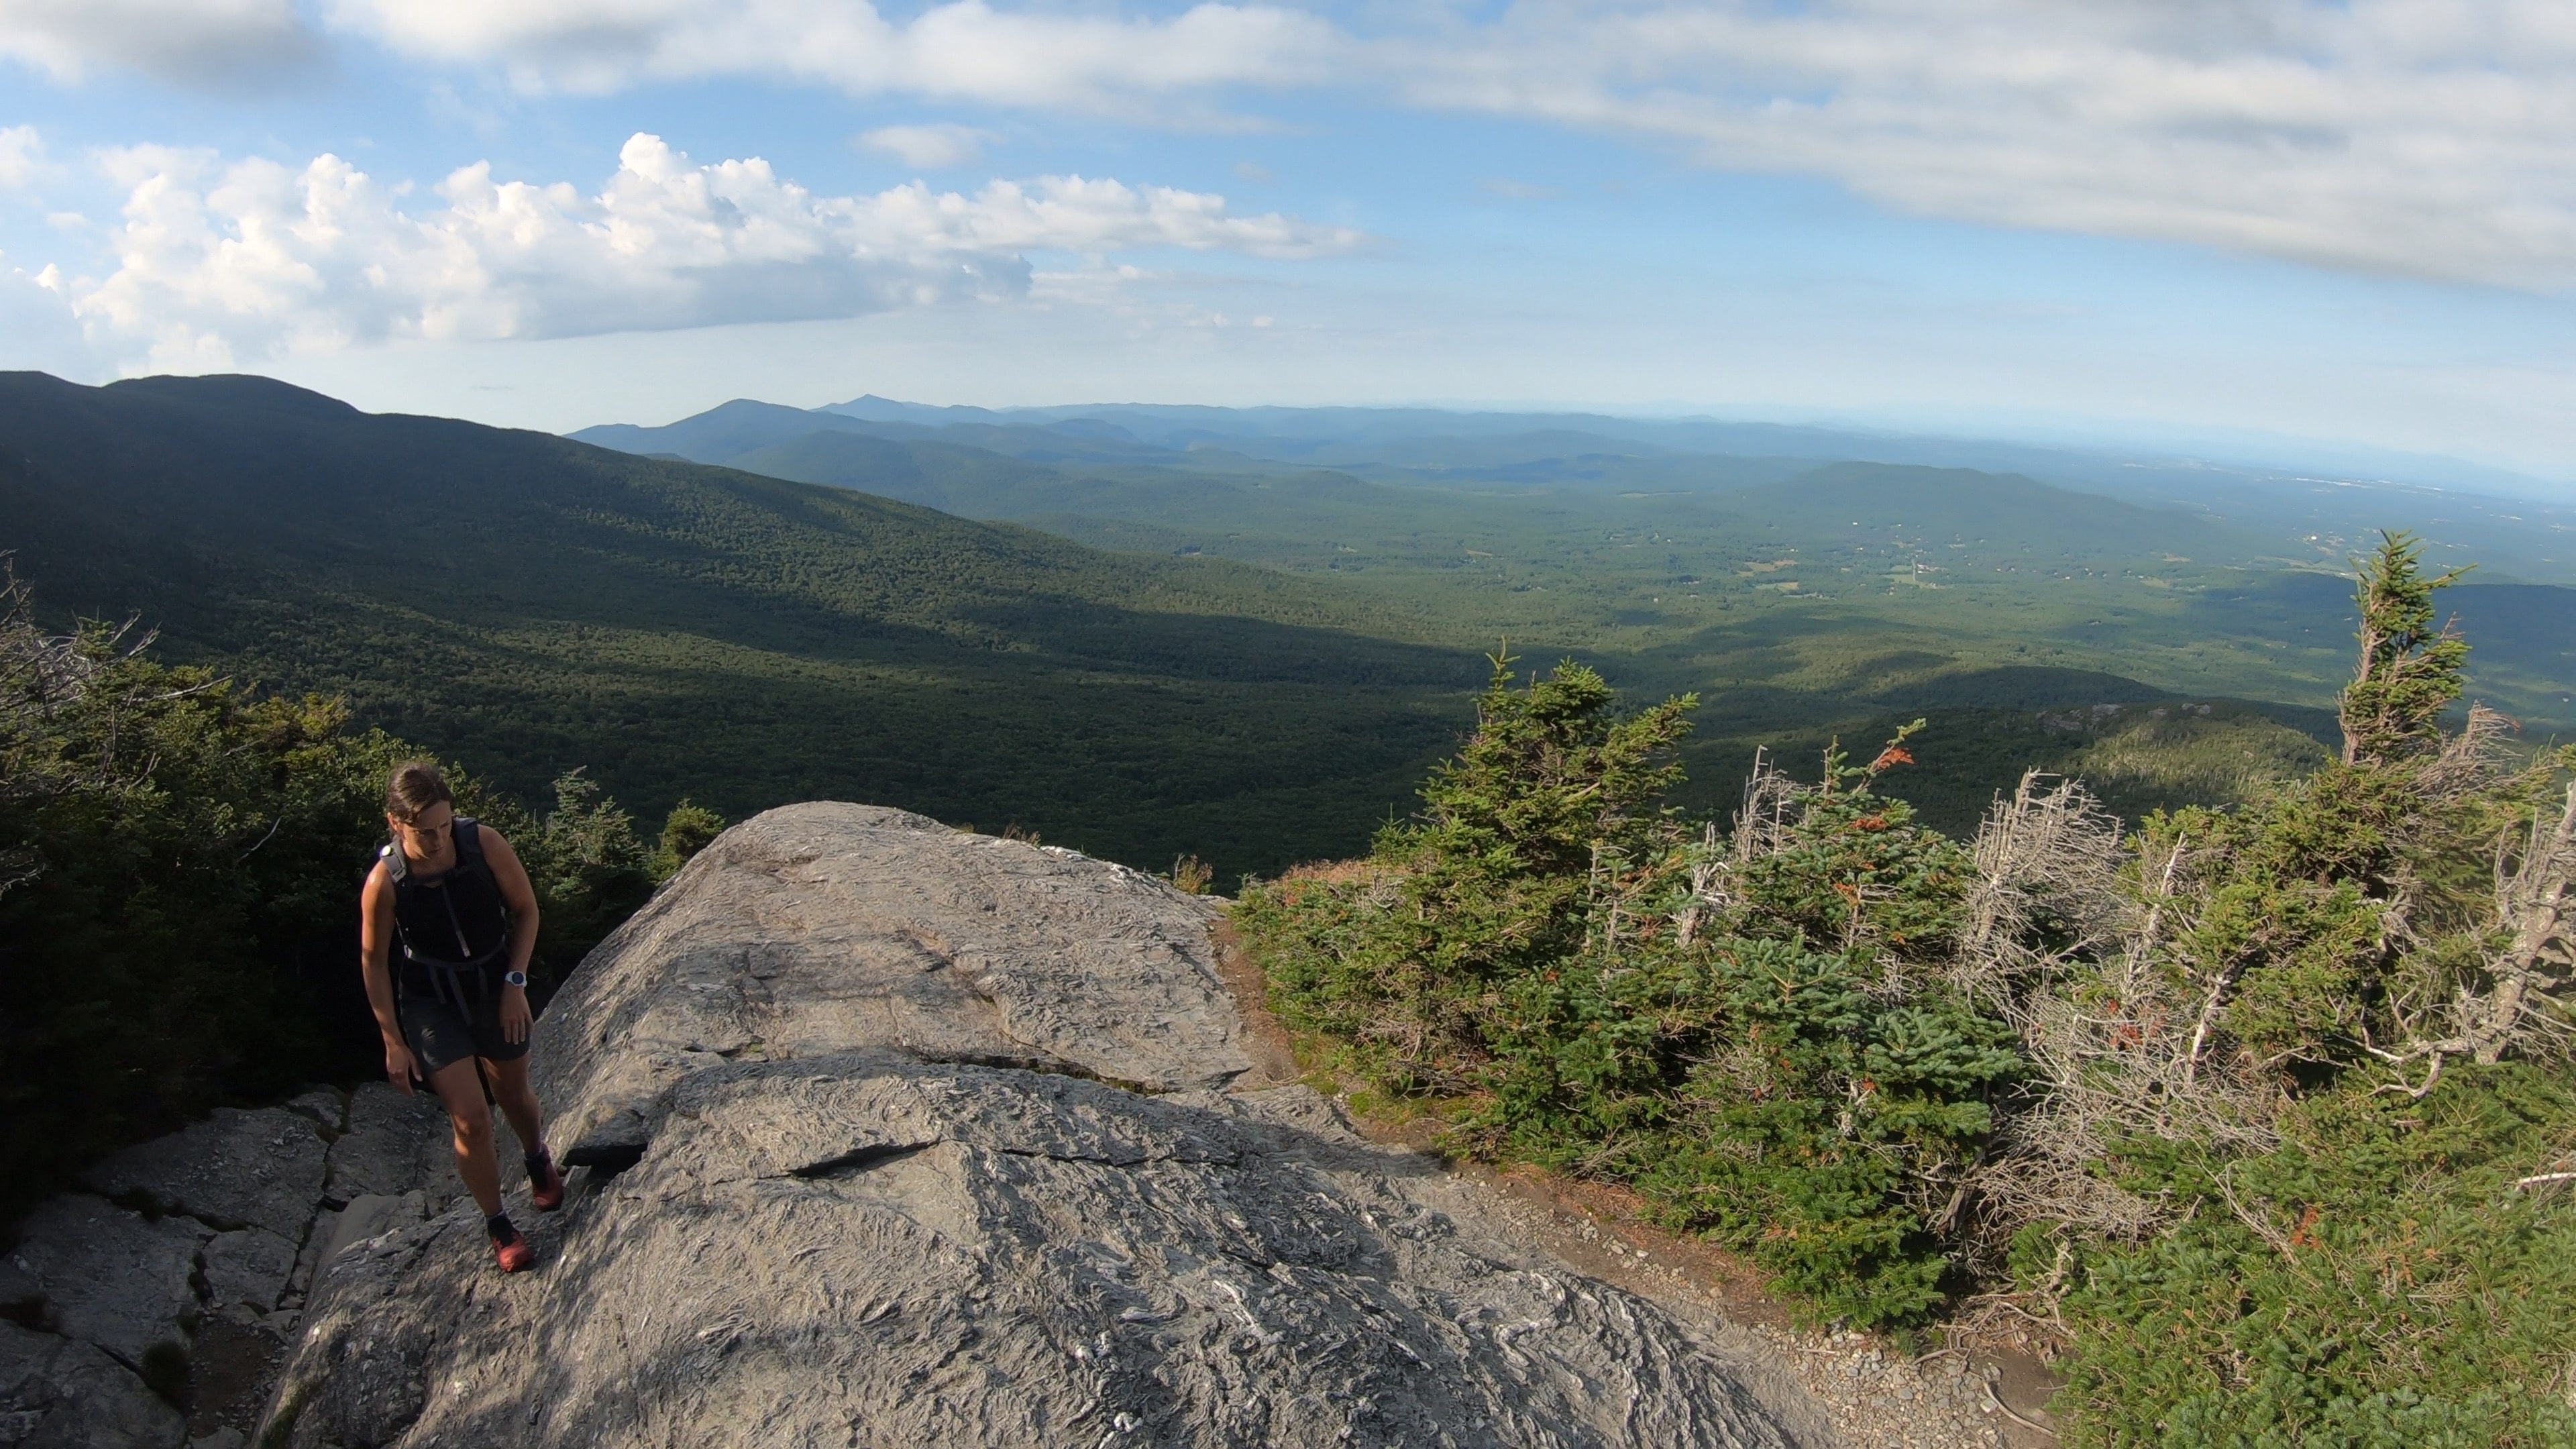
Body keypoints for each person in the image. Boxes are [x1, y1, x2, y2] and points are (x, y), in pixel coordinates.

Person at [360, 761, 566, 1273]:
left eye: (445, 826)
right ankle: (499, 1223)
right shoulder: (386, 882)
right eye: (424, 832)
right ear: (394, 822)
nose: (437, 840)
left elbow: (527, 910)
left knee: (512, 1094)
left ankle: (537, 1157)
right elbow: (373, 960)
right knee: (471, 1119)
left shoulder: (484, 845)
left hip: (495, 984)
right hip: (431, 1001)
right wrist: (393, 1039)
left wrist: (515, 984)